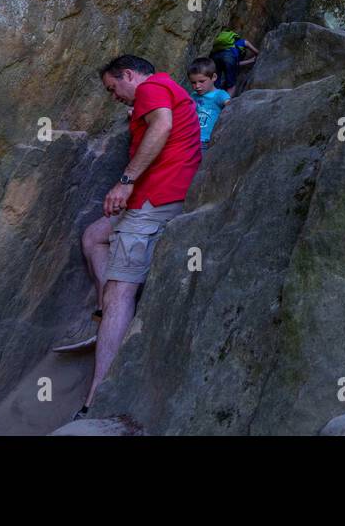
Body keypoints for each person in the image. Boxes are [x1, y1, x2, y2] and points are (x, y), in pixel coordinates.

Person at [52, 54, 203, 422]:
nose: (113, 96)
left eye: (113, 87)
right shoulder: (164, 89)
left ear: (130, 75)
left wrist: (126, 180)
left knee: (121, 288)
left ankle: (93, 400)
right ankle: (108, 314)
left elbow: (162, 125)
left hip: (155, 200)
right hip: (148, 198)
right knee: (93, 237)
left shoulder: (152, 88)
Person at [188, 56, 230, 147]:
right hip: (189, 139)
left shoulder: (220, 95)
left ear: (214, 77)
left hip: (206, 141)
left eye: (201, 81)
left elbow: (231, 106)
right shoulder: (193, 95)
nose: (197, 86)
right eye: (193, 83)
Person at [209, 29, 259, 96]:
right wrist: (252, 60)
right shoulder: (242, 42)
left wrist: (249, 61)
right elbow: (257, 52)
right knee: (231, 85)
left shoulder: (219, 47)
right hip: (228, 57)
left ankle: (213, 102)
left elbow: (235, 63)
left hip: (214, 57)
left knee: (216, 82)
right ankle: (228, 104)